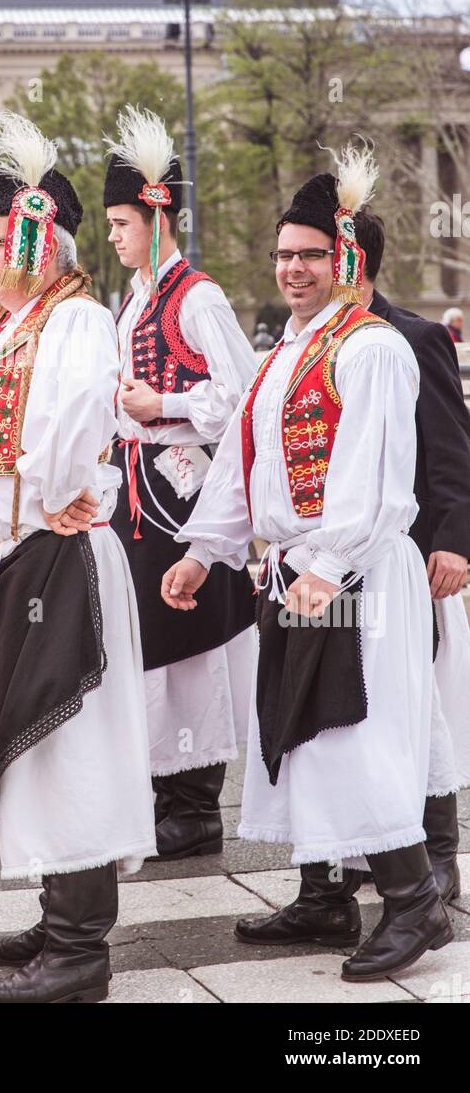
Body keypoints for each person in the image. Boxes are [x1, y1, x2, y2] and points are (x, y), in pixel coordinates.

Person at [162, 143, 452, 982]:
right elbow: (240, 465)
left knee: (349, 728)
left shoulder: (372, 349)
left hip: (352, 570)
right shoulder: (284, 352)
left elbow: (374, 476)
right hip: (300, 568)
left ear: (345, 259)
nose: (292, 269)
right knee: (297, 725)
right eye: (284, 254)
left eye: (310, 255)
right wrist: (204, 550)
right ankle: (328, 898)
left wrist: (328, 565)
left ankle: (412, 899)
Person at [0, 112, 154, 1004]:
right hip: (16, 559)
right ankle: (62, 905)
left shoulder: (76, 320)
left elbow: (64, 430)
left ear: (38, 241)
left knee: (73, 744)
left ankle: (80, 952)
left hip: (54, 558)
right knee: (39, 743)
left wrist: (44, 487)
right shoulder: (13, 328)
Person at [103, 106, 256, 860]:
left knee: (189, 637)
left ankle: (194, 803)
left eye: (121, 223)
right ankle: (170, 792)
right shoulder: (134, 297)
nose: (114, 236)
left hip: (185, 491)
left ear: (156, 217)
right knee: (155, 637)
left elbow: (244, 395)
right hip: (139, 492)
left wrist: (163, 405)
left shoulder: (197, 297)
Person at [355, 211, 470, 902]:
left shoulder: (417, 336)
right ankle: (354, 858)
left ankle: (439, 853)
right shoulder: (302, 342)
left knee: (421, 701)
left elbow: (452, 452)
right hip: (337, 568)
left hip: (412, 558)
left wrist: (455, 540)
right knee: (357, 708)